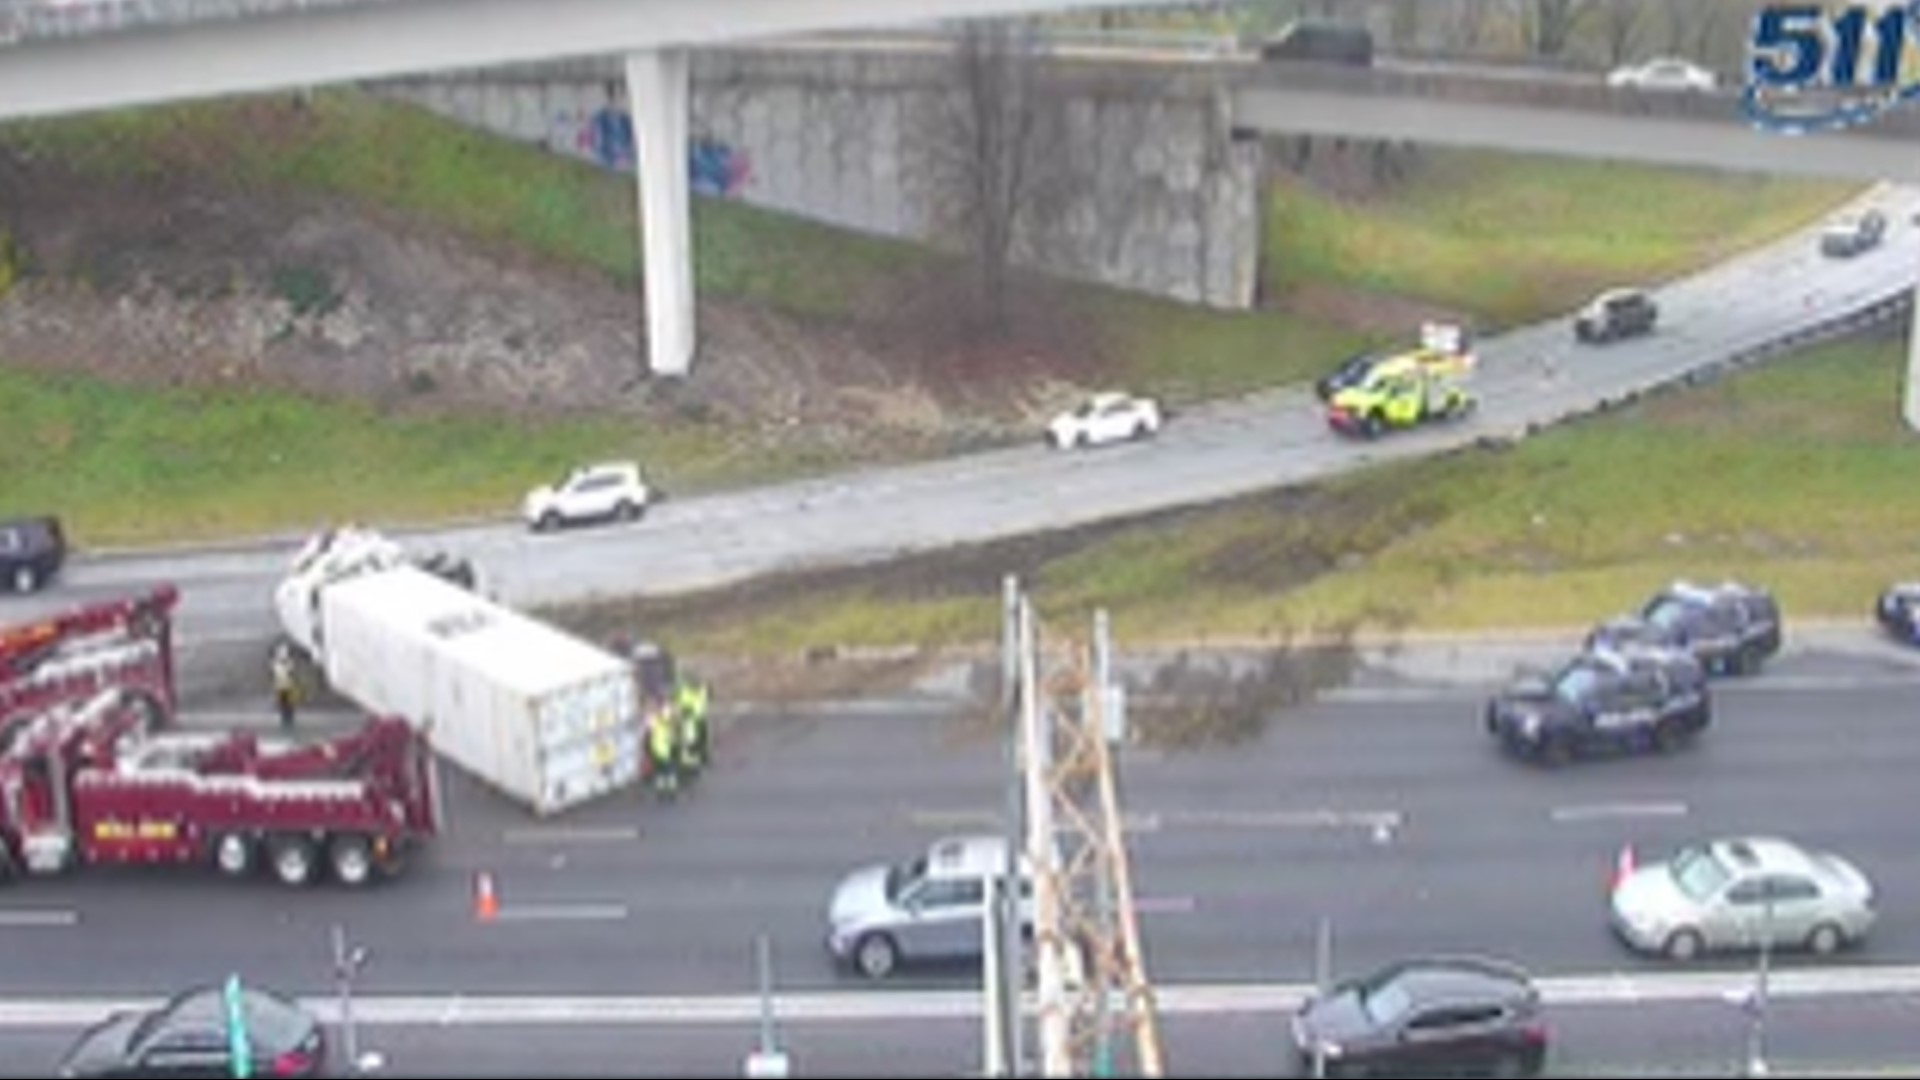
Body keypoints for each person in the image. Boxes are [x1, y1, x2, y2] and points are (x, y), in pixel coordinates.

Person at [675, 677, 709, 777]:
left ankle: (701, 758)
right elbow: (682, 706)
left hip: (699, 718)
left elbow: (704, 700)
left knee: (701, 739)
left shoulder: (701, 690)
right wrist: (685, 714)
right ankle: (689, 766)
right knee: (690, 742)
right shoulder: (685, 692)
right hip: (690, 720)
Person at [646, 709, 679, 796]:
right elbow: (673, 739)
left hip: (657, 751)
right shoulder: (667, 727)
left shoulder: (655, 722)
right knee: (670, 771)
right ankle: (671, 789)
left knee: (660, 771)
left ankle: (661, 789)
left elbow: (649, 728)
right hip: (666, 751)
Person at [270, 643, 298, 729]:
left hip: (288, 686)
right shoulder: (275, 662)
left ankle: (289, 720)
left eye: (285, 651)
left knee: (289, 705)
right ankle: (285, 720)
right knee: (283, 705)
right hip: (281, 686)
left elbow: (290, 670)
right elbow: (277, 671)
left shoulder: (289, 662)